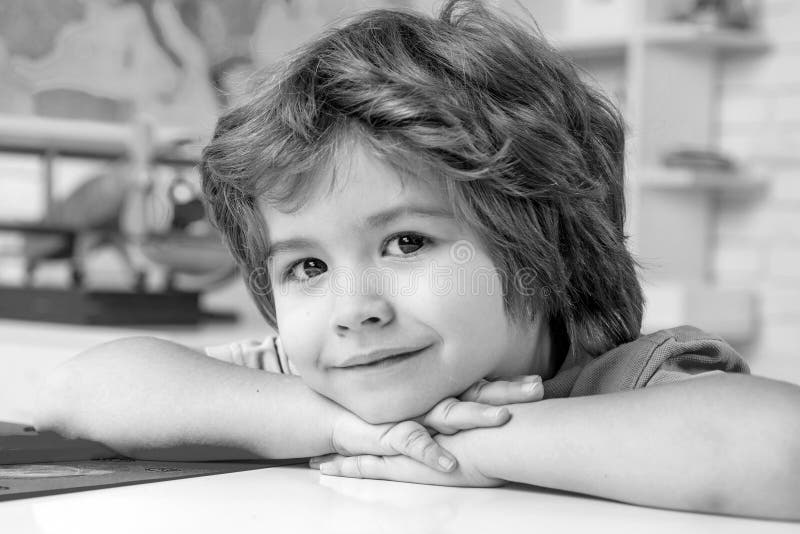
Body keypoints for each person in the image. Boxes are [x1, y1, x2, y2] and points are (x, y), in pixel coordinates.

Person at [34, 0, 799, 521]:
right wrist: (336, 429)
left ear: (540, 255)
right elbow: (76, 391)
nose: (353, 306)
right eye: (306, 267)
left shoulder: (624, 382)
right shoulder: (331, 385)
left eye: (407, 243)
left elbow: (779, 449)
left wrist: (466, 448)